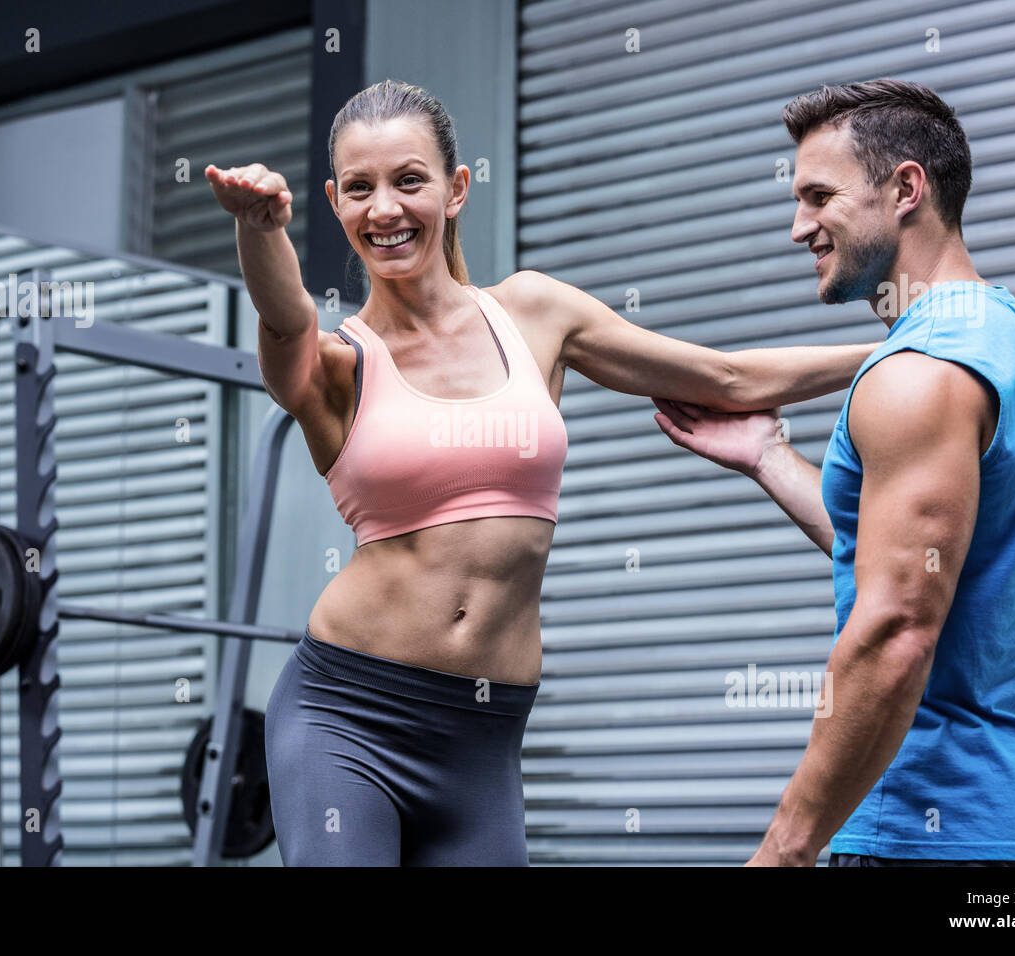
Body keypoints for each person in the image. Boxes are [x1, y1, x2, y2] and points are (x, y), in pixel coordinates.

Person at [205, 79, 878, 866]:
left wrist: (905, 345)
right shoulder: (339, 363)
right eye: (360, 189)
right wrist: (260, 228)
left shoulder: (533, 314)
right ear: (335, 203)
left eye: (408, 180)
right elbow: (284, 318)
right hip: (347, 716)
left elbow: (726, 378)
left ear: (457, 190)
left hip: (485, 737)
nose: (384, 208)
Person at [654, 78, 1015, 867]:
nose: (798, 228)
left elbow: (895, 630)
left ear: (906, 189)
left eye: (819, 196)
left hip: (931, 828)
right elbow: (928, 565)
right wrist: (769, 457)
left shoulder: (918, 374)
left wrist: (784, 851)